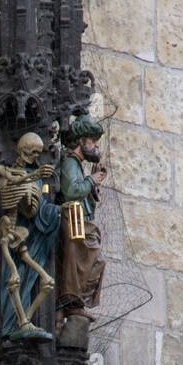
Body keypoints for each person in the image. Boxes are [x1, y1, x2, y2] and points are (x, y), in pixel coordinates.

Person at [0, 132, 60, 340]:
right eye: (32, 153)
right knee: (15, 277)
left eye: (38, 153)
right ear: (22, 151)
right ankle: (18, 323)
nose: (35, 157)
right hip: (11, 232)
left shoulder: (37, 180)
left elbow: (37, 210)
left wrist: (56, 210)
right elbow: (13, 181)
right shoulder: (6, 173)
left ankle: (26, 320)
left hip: (25, 235)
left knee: (46, 281)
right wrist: (35, 176)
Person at [57, 115, 108, 317]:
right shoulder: (70, 162)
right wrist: (91, 179)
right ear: (80, 140)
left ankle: (76, 302)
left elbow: (82, 193)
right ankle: (72, 302)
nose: (96, 146)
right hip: (74, 221)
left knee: (96, 262)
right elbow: (71, 190)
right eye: (92, 141)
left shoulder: (77, 164)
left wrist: (94, 184)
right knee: (85, 260)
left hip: (81, 221)